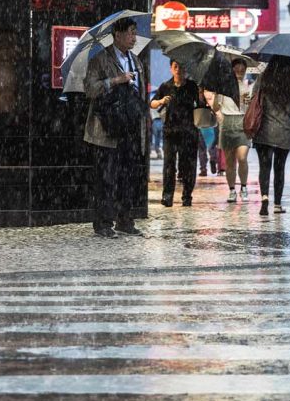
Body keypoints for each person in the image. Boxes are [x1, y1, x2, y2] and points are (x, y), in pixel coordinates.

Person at [84, 17, 149, 238]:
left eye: (134, 33)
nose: (133, 38)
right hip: (107, 129)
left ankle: (125, 220)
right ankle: (103, 223)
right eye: (130, 33)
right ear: (117, 35)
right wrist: (115, 80)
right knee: (106, 178)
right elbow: (90, 89)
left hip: (130, 128)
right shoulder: (101, 59)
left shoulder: (137, 61)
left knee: (127, 178)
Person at [152, 60, 206, 208]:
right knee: (169, 165)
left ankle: (187, 196)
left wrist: (201, 95)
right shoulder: (166, 86)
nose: (178, 70)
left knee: (188, 165)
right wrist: (161, 100)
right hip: (170, 131)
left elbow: (201, 106)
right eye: (175, 66)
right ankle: (167, 196)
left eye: (181, 66)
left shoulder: (192, 86)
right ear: (171, 68)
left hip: (189, 132)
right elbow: (153, 103)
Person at [251, 57, 290, 216]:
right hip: (283, 132)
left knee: (264, 167)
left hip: (264, 130)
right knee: (279, 168)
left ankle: (264, 197)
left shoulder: (263, 78)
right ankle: (277, 204)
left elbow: (254, 99)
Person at [212, 58, 253, 203]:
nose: (239, 73)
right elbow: (216, 107)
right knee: (229, 162)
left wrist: (248, 103)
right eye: (236, 70)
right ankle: (231, 190)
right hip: (227, 123)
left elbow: (252, 109)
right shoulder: (224, 87)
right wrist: (217, 98)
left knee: (242, 158)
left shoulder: (249, 87)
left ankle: (243, 186)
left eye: (242, 70)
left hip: (242, 124)